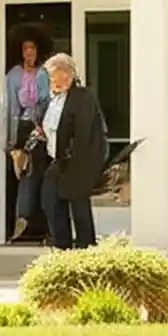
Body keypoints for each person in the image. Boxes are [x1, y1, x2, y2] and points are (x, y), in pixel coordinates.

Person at [37, 53, 108, 250]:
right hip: (59, 160)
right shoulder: (55, 99)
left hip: (77, 162)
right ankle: (63, 247)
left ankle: (86, 250)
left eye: (55, 76)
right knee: (50, 201)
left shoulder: (82, 97)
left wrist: (74, 159)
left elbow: (83, 132)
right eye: (50, 77)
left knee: (79, 207)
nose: (52, 81)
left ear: (67, 76)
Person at [3, 37, 51, 241]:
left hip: (43, 128)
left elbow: (48, 100)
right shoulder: (14, 75)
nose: (29, 52)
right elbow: (11, 106)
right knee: (24, 176)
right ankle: (22, 225)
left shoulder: (44, 73)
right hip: (23, 128)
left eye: (32, 48)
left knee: (41, 177)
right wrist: (10, 137)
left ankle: (41, 227)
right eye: (25, 48)